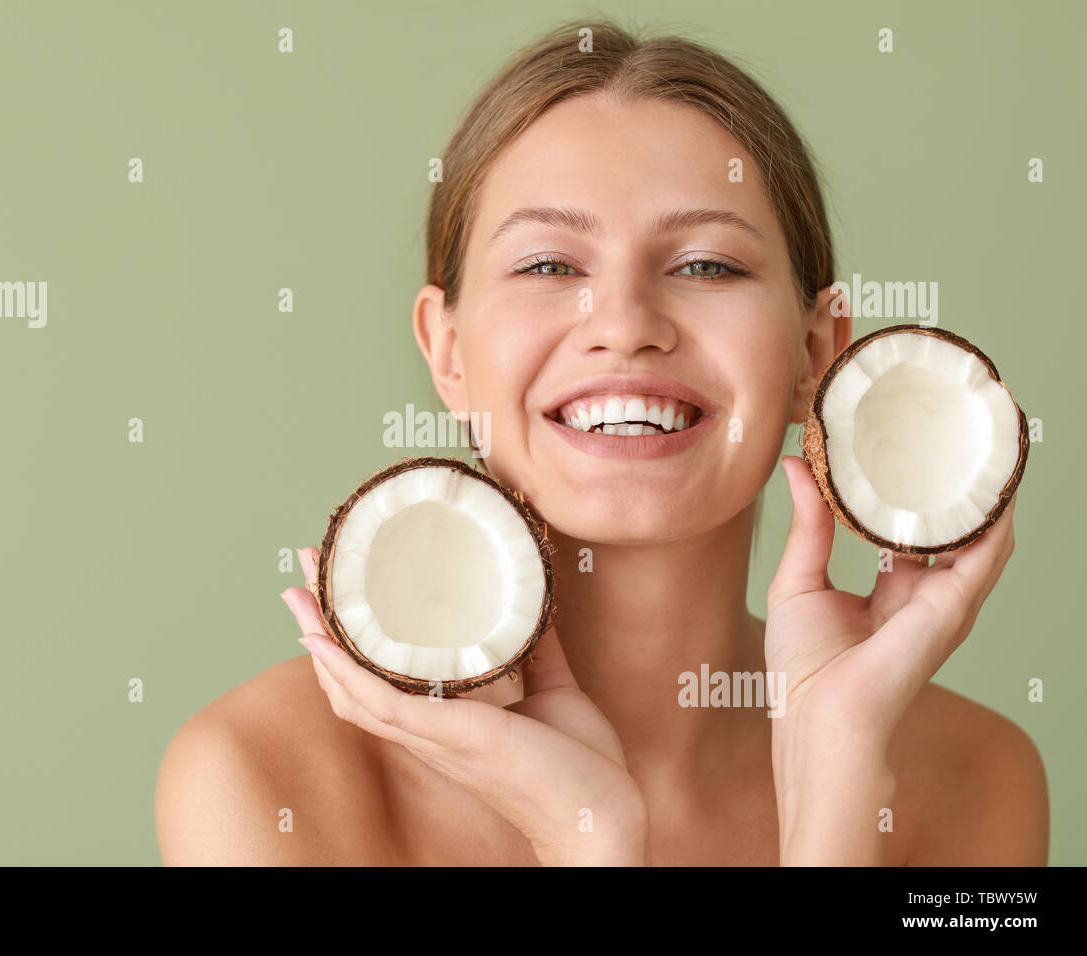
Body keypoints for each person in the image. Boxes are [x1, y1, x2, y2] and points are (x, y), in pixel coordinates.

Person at [155, 19, 1047, 865]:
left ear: (816, 354)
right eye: (549, 265)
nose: (622, 324)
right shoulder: (262, 779)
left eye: (707, 265)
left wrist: (838, 760)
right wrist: (589, 839)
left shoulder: (982, 781)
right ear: (448, 350)